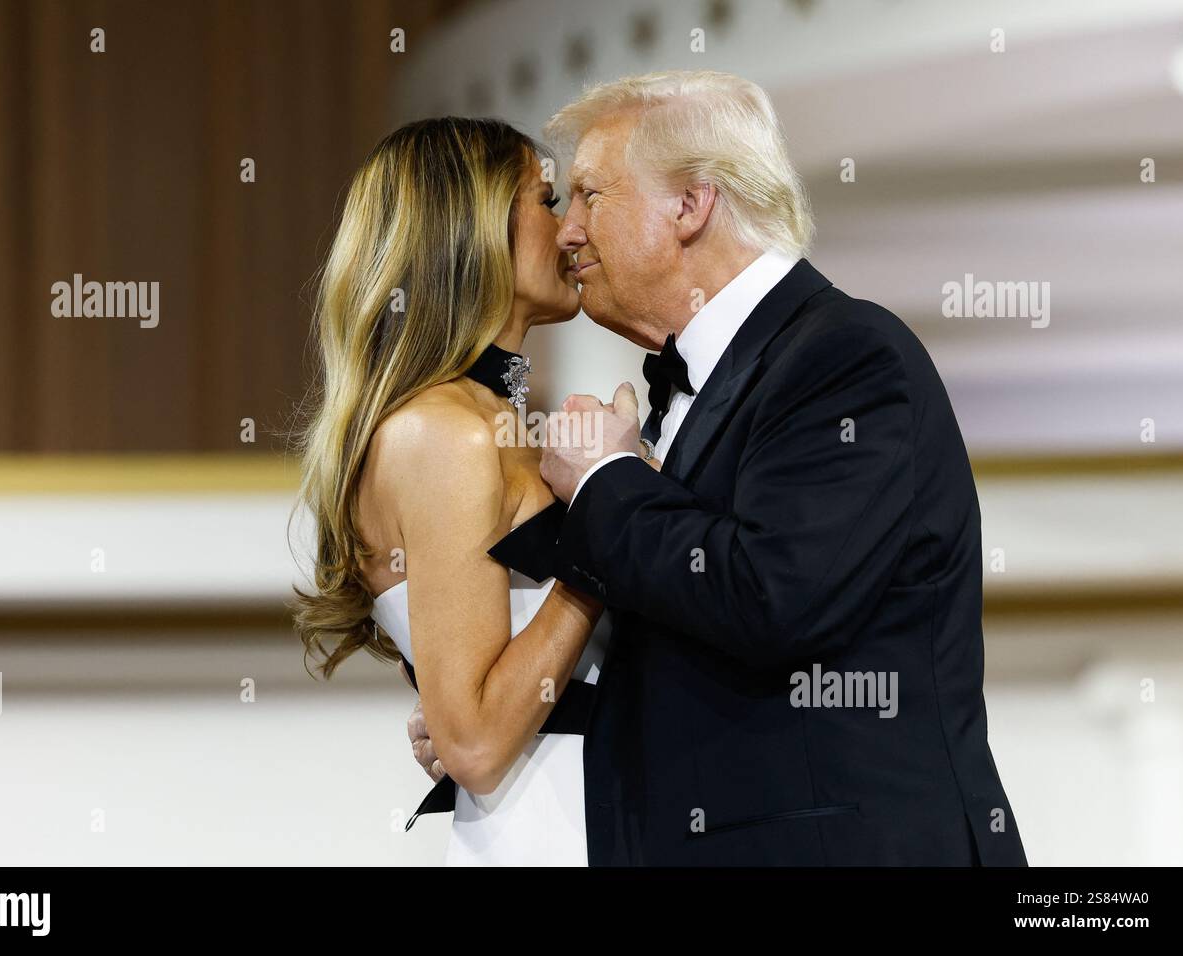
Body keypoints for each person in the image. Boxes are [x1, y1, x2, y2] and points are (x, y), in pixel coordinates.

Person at [410, 71, 1028, 866]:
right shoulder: (691, 388)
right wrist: (504, 714)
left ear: (690, 205)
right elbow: (688, 620)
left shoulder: (847, 357)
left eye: (591, 194)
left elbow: (771, 596)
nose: (568, 231)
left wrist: (604, 481)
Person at [293, 117, 611, 865]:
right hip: (545, 837)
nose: (572, 231)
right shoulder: (441, 433)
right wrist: (606, 541)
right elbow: (471, 743)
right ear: (470, 229)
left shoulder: (491, 422)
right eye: (546, 200)